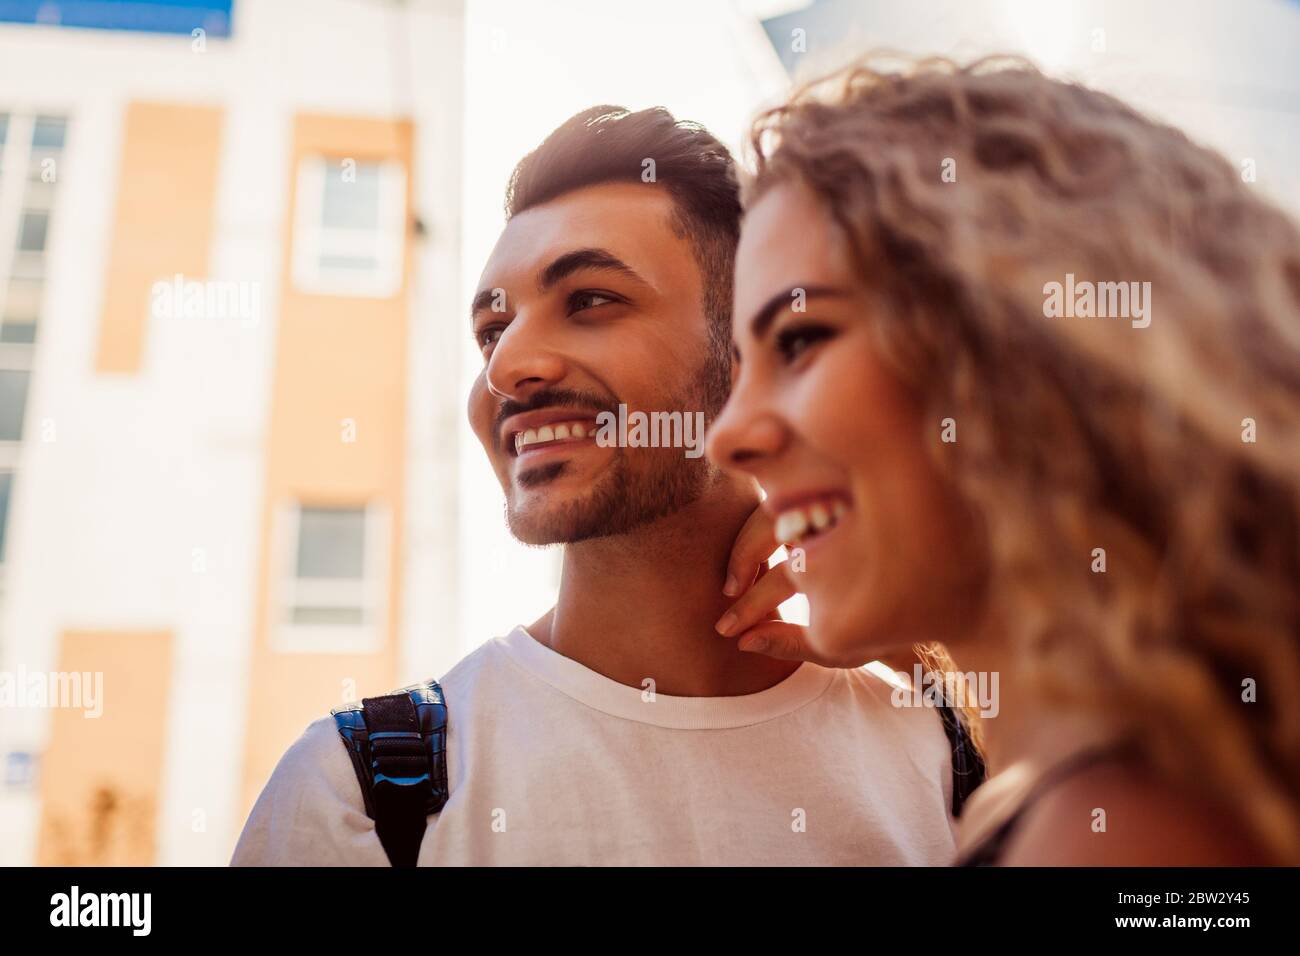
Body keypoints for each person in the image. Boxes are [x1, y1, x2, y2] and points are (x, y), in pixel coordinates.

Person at [232, 105, 966, 866]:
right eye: (492, 329)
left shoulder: (948, 760)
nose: (507, 367)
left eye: (589, 300)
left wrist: (935, 648)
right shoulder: (359, 798)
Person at [706, 55, 1300, 865]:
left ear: (1017, 346)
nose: (728, 435)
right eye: (738, 368)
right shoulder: (1157, 774)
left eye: (801, 341)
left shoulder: (1122, 833)